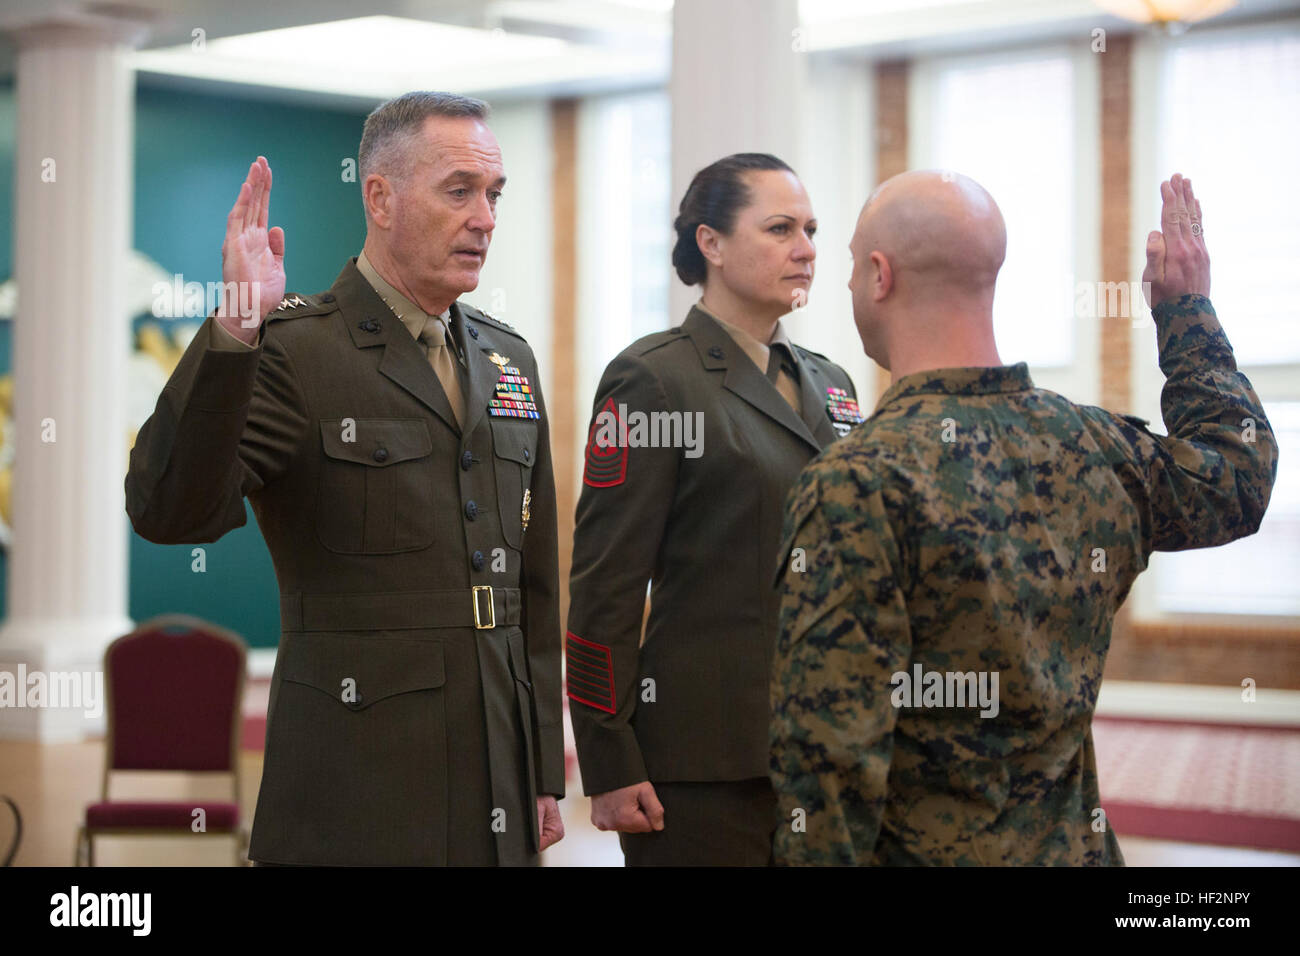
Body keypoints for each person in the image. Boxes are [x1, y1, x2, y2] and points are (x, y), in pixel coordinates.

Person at [770, 171, 1278, 866]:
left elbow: (828, 773)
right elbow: (1238, 478)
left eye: (854, 266)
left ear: (880, 277)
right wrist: (1187, 315)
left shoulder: (856, 485)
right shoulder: (1097, 448)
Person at [125, 91, 565, 866]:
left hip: (497, 781)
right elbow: (170, 510)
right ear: (381, 198)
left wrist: (538, 771)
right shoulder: (296, 349)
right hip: (356, 789)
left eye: (494, 196)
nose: (486, 218)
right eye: (459, 190)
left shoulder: (510, 362)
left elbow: (531, 587)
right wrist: (234, 331)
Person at [566, 153, 863, 866]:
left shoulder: (834, 382)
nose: (807, 250)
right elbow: (604, 583)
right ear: (712, 244)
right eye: (781, 228)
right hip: (702, 765)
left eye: (813, 231)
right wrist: (610, 760)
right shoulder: (653, 379)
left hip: (825, 750)